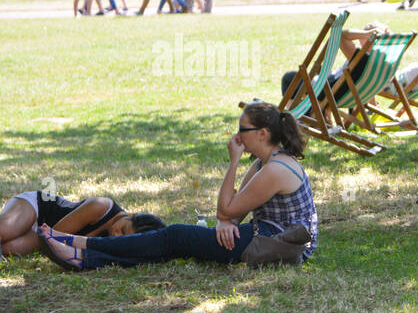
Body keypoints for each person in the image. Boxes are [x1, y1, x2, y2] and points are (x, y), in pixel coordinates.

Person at [37, 103, 318, 271]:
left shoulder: (275, 170)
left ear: (262, 134)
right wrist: (223, 223)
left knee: (174, 236)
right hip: (268, 237)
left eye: (241, 130)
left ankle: (83, 248)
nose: (236, 136)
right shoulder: (265, 163)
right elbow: (229, 213)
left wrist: (233, 161)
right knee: (175, 245)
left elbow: (227, 207)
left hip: (278, 245)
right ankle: (84, 254)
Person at [1, 192, 162, 258]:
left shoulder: (119, 246)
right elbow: (55, 234)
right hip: (38, 208)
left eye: (124, 238)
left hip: (46, 235)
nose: (116, 236)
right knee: (4, 231)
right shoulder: (101, 206)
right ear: (132, 215)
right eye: (122, 229)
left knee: (8, 249)